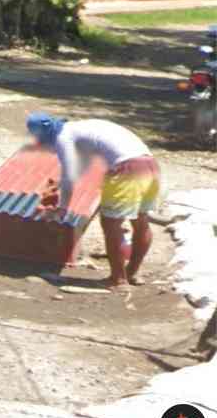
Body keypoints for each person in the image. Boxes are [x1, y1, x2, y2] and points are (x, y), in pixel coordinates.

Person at [31, 111, 164, 291]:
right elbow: (82, 166)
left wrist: (62, 209)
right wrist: (59, 184)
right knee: (141, 221)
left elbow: (70, 176)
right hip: (150, 165)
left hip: (127, 168)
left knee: (111, 223)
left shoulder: (63, 137)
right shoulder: (81, 127)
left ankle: (118, 280)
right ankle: (131, 272)